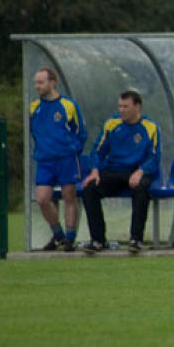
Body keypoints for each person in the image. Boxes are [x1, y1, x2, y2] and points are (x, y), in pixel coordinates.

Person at [82, 90, 162, 254]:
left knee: (141, 189)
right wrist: (95, 170)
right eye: (120, 106)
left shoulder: (150, 127)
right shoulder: (112, 124)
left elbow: (154, 157)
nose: (121, 110)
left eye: (126, 106)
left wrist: (141, 171)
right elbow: (97, 150)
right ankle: (98, 240)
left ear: (137, 107)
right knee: (90, 188)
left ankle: (136, 239)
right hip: (114, 170)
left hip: (137, 171)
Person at [29, 68, 87, 252]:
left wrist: (72, 149)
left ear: (52, 82)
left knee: (69, 195)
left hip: (66, 159)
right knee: (42, 199)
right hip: (45, 160)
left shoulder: (68, 105)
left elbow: (81, 132)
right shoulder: (34, 107)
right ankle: (58, 234)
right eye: (36, 82)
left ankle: (70, 238)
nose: (37, 86)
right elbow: (34, 131)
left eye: (41, 82)